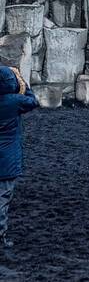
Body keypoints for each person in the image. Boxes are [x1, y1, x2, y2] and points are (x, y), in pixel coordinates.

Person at [0, 65, 38, 257]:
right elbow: (33, 101)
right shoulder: (14, 102)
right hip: (7, 161)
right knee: (2, 198)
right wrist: (23, 82)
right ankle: (1, 236)